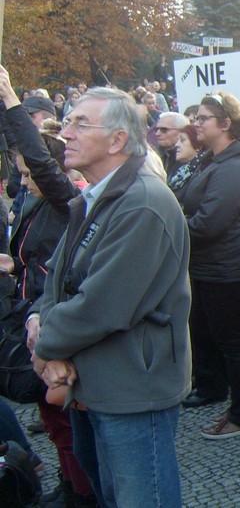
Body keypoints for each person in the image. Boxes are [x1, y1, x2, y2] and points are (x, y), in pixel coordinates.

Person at [29, 87, 189, 506]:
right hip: (96, 382)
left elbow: (104, 305)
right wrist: (41, 323)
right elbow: (59, 276)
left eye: (81, 124)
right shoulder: (97, 197)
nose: (66, 133)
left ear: (118, 140)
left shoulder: (143, 203)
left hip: (133, 388)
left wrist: (45, 346)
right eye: (67, 121)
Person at [0, 67, 96, 507]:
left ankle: (84, 492)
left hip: (54, 317)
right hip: (32, 315)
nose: (22, 180)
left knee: (68, 417)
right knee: (54, 419)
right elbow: (33, 255)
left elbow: (38, 158)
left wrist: (12, 103)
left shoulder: (65, 198)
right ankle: (71, 482)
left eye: (26, 173)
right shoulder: (36, 204)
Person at [177, 91, 240, 439]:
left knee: (234, 343)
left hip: (231, 268)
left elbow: (207, 224)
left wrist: (170, 225)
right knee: (220, 338)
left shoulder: (233, 168)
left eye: (202, 118)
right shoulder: (215, 160)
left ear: (225, 124)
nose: (195, 123)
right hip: (215, 265)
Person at [153, 111, 188, 180]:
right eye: (156, 129)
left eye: (164, 129)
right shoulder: (153, 156)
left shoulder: (189, 159)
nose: (157, 133)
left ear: (181, 131)